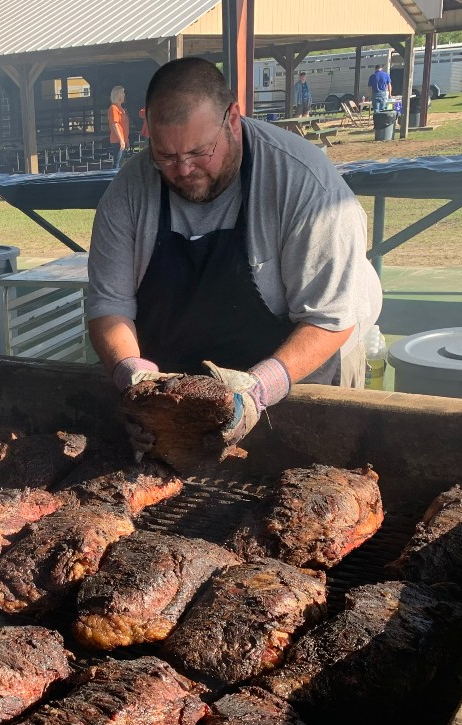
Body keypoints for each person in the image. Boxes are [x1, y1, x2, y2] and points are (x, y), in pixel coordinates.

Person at [87, 57, 382, 449]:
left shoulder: (306, 186)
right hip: (178, 381)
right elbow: (109, 305)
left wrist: (257, 391)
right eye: (166, 156)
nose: (183, 169)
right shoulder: (128, 193)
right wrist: (135, 378)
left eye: (199, 152)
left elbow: (329, 318)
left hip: (297, 372)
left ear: (233, 120)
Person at [108, 85, 130, 168]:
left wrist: (126, 139)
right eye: (122, 93)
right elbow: (115, 124)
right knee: (117, 164)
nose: (124, 95)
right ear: (117, 95)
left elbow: (124, 126)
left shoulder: (121, 109)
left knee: (120, 163)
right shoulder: (113, 108)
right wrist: (121, 140)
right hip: (117, 140)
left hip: (122, 140)